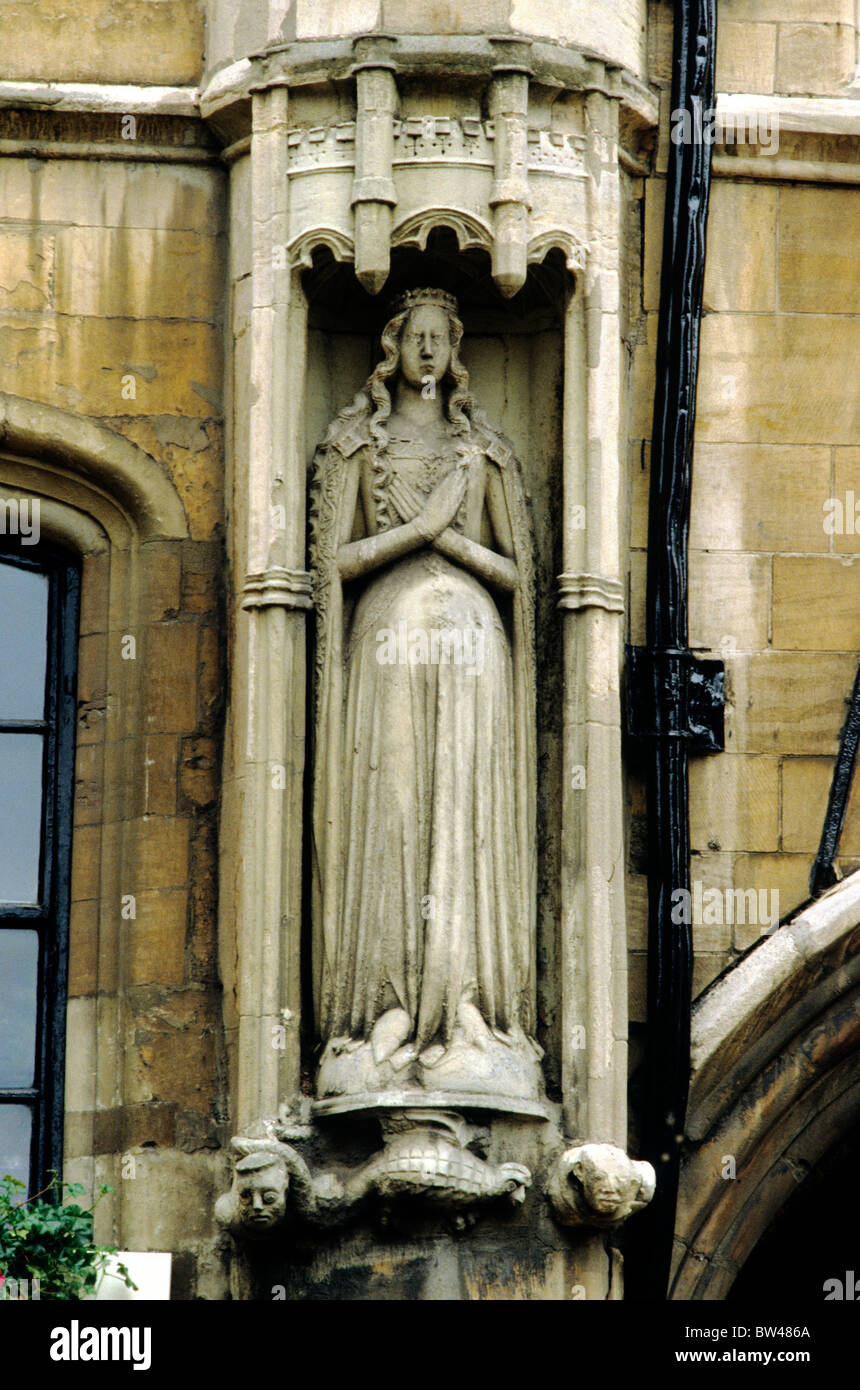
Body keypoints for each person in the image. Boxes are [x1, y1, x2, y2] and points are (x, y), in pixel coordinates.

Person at [310, 287, 542, 1110]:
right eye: (417, 336)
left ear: (457, 349)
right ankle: (388, 1011)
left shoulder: (487, 454)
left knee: (462, 818)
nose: (430, 350)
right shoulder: (352, 447)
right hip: (384, 648)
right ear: (392, 345)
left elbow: (523, 581)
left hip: (474, 647)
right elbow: (328, 569)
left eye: (444, 337)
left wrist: (449, 538)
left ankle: (467, 1015)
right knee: (395, 813)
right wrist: (416, 534)